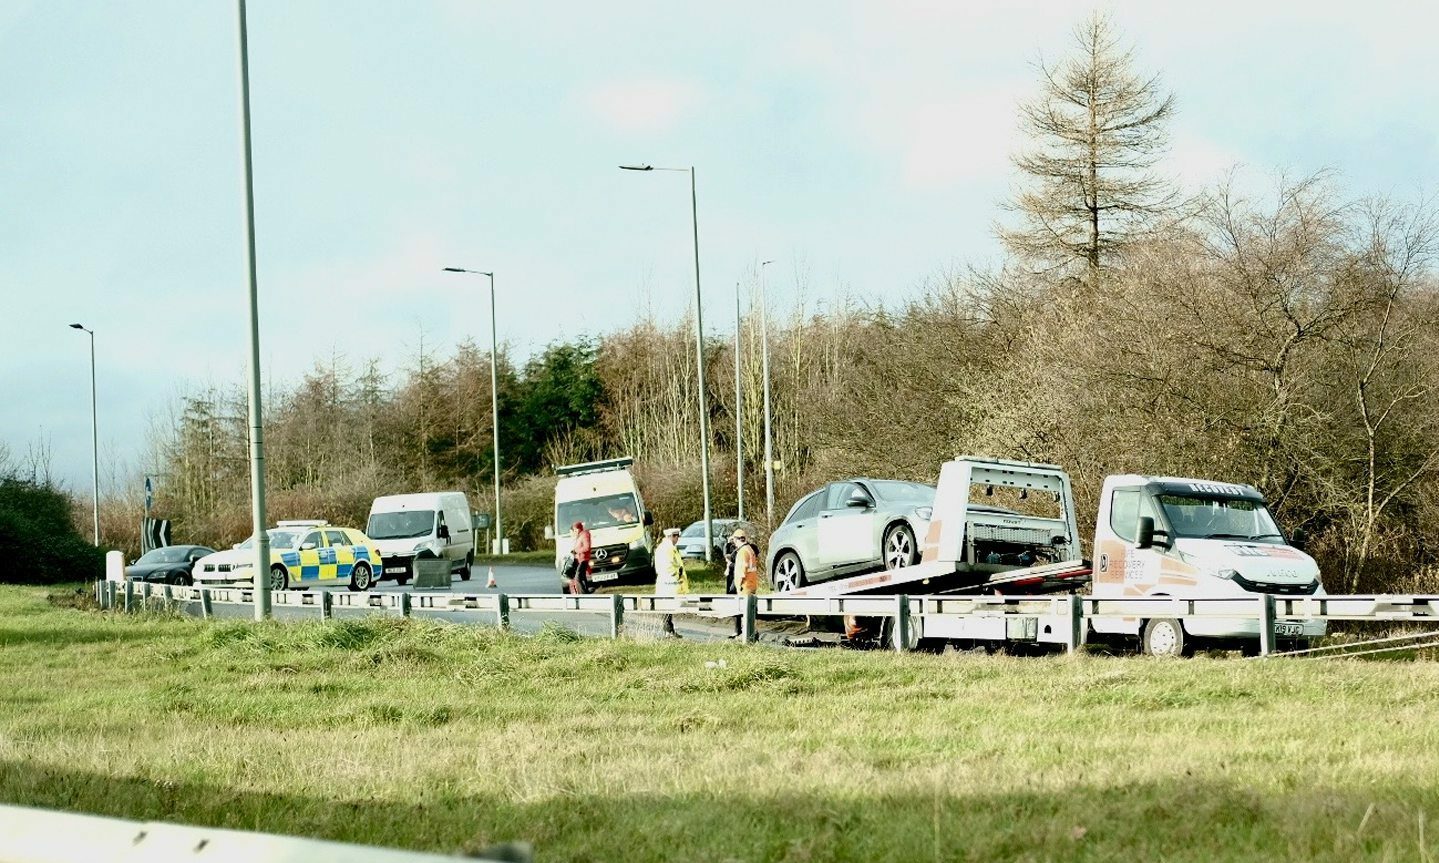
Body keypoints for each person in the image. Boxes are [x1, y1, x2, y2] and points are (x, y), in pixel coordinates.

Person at [653, 527, 688, 637]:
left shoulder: (666, 547)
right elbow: (668, 566)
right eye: (676, 536)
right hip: (669, 582)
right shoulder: (667, 548)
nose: (677, 538)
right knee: (667, 606)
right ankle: (668, 631)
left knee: (667, 606)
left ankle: (669, 630)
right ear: (671, 536)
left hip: (667, 582)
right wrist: (678, 573)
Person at [730, 527, 760, 638]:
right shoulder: (750, 549)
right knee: (751, 612)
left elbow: (741, 572)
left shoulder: (742, 552)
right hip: (752, 583)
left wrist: (738, 585)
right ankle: (753, 633)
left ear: (736, 540)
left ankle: (748, 636)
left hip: (745, 585)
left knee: (745, 613)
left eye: (734, 541)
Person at [568, 521, 593, 595]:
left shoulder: (585, 535)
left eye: (575, 530)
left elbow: (587, 547)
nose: (575, 531)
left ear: (578, 529)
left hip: (583, 559)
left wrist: (576, 551)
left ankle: (583, 593)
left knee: (578, 577)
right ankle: (586, 591)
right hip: (580, 559)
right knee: (582, 576)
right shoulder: (580, 535)